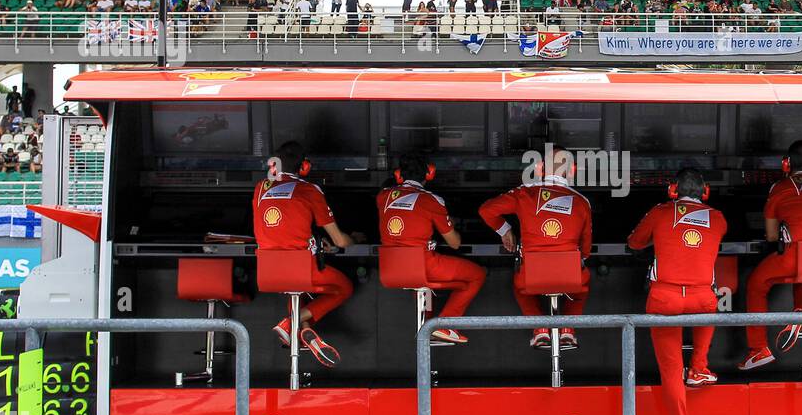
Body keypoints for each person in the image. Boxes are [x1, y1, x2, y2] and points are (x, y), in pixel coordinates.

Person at [627, 167, 727, 415]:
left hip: (665, 299)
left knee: (671, 372)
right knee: (710, 305)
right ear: (705, 191)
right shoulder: (719, 218)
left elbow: (634, 243)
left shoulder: (659, 212)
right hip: (702, 299)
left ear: (672, 190)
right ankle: (699, 366)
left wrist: (659, 239)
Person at [252, 141, 358, 367]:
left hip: (268, 271)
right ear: (305, 167)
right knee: (344, 287)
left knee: (295, 289)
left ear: (274, 165)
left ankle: (301, 330)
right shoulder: (309, 190)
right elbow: (340, 240)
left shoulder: (261, 187)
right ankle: (291, 322)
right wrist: (355, 239)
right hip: (301, 269)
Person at [740, 140, 802, 370]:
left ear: (786, 164)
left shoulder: (780, 187)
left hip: (799, 256)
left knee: (757, 283)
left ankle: (758, 349)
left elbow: (770, 235)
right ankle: (799, 311)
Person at [478, 146, 593, 349]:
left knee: (521, 288)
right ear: (572, 170)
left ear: (539, 168)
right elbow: (586, 250)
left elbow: (486, 210)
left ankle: (540, 330)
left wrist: (505, 230)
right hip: (570, 277)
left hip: (530, 277)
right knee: (580, 289)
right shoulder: (582, 202)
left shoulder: (524, 193)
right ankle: (567, 330)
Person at [376, 153, 485, 345]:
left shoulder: (383, 196)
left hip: (391, 270)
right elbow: (454, 243)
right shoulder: (432, 200)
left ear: (399, 175)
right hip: (425, 266)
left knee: (419, 280)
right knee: (477, 274)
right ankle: (445, 325)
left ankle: (427, 323)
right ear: (430, 174)